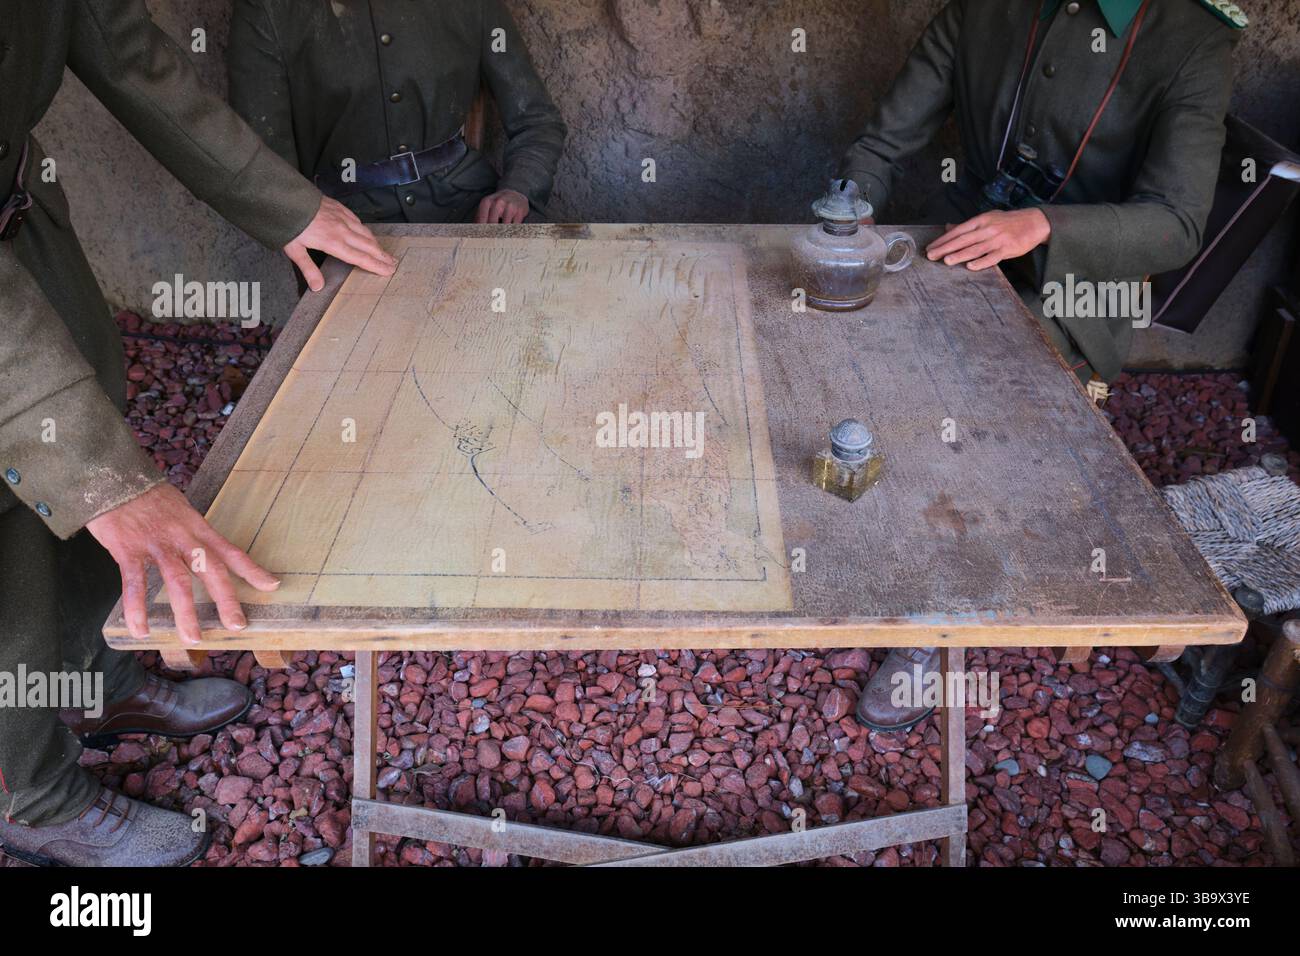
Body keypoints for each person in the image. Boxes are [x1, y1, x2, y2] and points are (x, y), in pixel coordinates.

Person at [0, 0, 396, 866]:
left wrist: (282, 201)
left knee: (87, 468)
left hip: (22, 228)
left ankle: (94, 682)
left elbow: (125, 48)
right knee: (21, 527)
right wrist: (101, 479)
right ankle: (33, 793)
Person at [838, 0, 1243, 731]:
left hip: (1081, 289)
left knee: (971, 425)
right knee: (846, 346)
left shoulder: (1193, 38)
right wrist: (851, 212)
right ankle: (850, 543)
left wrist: (1043, 225)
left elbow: (1177, 222)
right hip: (959, 242)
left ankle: (932, 623)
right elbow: (884, 140)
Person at [227, 0, 567, 226]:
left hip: (471, 208)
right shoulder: (269, 9)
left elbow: (537, 120)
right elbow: (261, 164)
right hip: (348, 224)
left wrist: (518, 189)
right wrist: (306, 221)